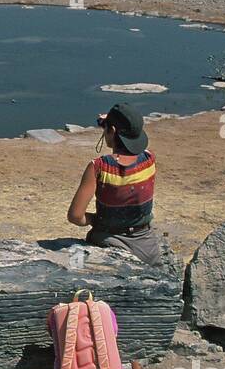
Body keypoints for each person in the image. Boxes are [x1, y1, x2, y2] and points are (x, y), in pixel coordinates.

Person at [67, 101, 163, 265]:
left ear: (111, 131)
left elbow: (75, 216)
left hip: (110, 243)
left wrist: (98, 220)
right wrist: (111, 123)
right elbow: (130, 138)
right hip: (147, 246)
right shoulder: (149, 159)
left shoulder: (99, 167)